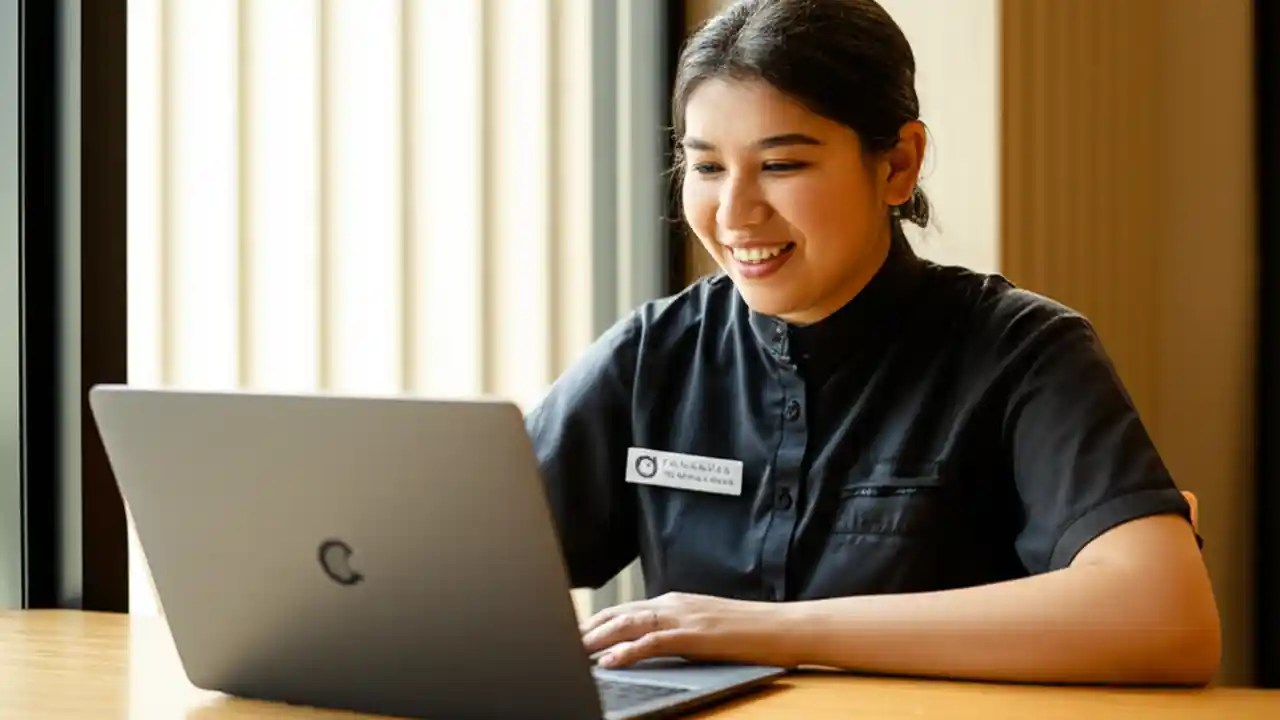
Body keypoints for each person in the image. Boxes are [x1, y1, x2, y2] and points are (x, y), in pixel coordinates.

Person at [524, 0, 1220, 685]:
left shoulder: (1023, 351)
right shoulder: (654, 354)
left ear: (897, 166)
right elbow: (454, 573)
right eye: (706, 168)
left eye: (782, 165)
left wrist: (760, 630)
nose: (734, 213)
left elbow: (1167, 619)